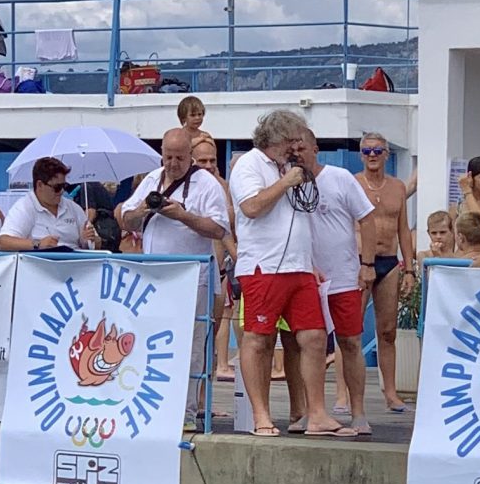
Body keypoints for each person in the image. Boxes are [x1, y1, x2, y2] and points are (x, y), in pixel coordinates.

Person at [228, 109, 343, 437]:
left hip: (300, 265)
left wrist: (310, 261)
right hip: (264, 266)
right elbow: (252, 207)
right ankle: (261, 415)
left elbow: (300, 217)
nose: (295, 148)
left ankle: (316, 413)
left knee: (314, 336)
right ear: (274, 140)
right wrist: (286, 182)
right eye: (290, 141)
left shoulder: (290, 167)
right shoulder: (249, 165)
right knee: (259, 339)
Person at [118, 128, 232, 396]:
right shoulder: (151, 180)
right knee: (153, 342)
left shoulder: (206, 184)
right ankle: (156, 400)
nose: (173, 164)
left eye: (180, 158)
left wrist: (183, 216)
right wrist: (144, 209)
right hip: (155, 278)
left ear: (190, 156)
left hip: (194, 277)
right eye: (168, 157)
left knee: (192, 345)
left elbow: (218, 229)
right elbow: (125, 217)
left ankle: (190, 407)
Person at [290, 133, 377, 436]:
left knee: (350, 343)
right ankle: (311, 411)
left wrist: (367, 264)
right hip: (304, 277)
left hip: (343, 276)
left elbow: (366, 219)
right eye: (293, 149)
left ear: (315, 149)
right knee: (307, 345)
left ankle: (358, 411)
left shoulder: (340, 178)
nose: (297, 153)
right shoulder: (286, 183)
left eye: (303, 148)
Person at [355, 131, 415, 415]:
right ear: (361, 155)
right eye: (367, 151)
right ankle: (345, 394)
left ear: (387, 154)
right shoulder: (354, 184)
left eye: (377, 151)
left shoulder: (397, 187)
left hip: (389, 261)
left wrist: (410, 268)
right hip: (359, 260)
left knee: (387, 331)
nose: (372, 156)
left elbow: (403, 229)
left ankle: (390, 392)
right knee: (350, 331)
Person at [192, 131, 239, 381]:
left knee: (211, 336)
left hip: (219, 272)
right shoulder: (188, 188)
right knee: (194, 337)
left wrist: (237, 257)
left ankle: (203, 400)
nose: (209, 166)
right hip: (195, 273)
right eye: (203, 161)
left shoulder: (223, 187)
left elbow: (228, 230)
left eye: (212, 160)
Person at [0, 156, 95, 253]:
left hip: (75, 263)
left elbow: (96, 243)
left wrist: (89, 240)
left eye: (64, 186)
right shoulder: (24, 207)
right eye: (57, 187)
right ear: (40, 185)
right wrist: (38, 244)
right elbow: (4, 242)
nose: (61, 191)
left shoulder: (73, 208)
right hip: (39, 264)